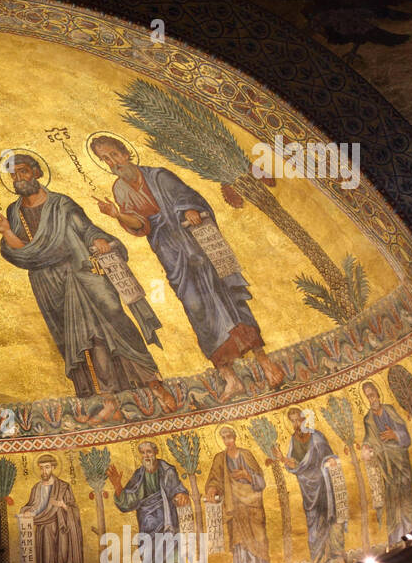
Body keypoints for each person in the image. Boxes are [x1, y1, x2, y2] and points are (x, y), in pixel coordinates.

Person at [93, 135, 286, 402]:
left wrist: (189, 210)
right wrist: (116, 215)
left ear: (126, 153)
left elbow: (189, 198)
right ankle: (230, 378)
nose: (112, 162)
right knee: (195, 308)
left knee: (226, 297)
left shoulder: (160, 176)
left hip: (194, 242)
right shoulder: (120, 191)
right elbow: (140, 226)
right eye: (105, 159)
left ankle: (265, 362)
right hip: (169, 252)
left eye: (114, 155)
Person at [0, 153, 175, 409]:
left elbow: (86, 229)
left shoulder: (61, 204)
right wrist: (6, 231)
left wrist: (97, 239)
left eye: (24, 171)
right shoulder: (13, 212)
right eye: (14, 175)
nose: (19, 178)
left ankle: (153, 382)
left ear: (37, 173)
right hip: (49, 283)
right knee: (81, 342)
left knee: (115, 321)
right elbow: (24, 251)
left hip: (84, 273)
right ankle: (105, 402)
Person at [110, 441, 189, 563]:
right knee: (149, 557)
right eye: (143, 453)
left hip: (167, 522)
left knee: (172, 556)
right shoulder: (138, 476)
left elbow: (177, 488)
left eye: (149, 452)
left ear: (156, 452)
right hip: (148, 524)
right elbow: (127, 502)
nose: (146, 456)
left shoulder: (168, 470)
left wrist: (182, 494)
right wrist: (118, 486)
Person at [281, 407, 345, 563]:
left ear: (304, 419)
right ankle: (318, 561)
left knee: (331, 517)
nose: (297, 424)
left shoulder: (316, 437)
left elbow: (329, 455)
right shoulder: (293, 441)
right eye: (293, 421)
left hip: (325, 485)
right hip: (308, 488)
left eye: (299, 419)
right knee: (315, 522)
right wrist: (287, 461)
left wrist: (330, 460)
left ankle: (337, 555)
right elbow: (295, 464)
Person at [204, 426, 270, 563]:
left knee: (259, 539)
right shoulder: (219, 459)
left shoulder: (246, 455)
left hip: (253, 504)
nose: (227, 441)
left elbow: (261, 482)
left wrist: (247, 476)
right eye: (224, 438)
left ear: (235, 437)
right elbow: (215, 480)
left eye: (229, 437)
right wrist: (212, 489)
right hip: (234, 506)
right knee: (238, 542)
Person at [20, 454, 84, 563]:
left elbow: (74, 510)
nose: (44, 471)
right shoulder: (36, 488)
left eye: (47, 467)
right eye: (41, 468)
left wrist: (63, 505)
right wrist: (27, 511)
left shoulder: (63, 487)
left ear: (54, 467)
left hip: (62, 532)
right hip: (44, 531)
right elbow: (32, 505)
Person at [360, 381, 412, 546]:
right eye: (368, 396)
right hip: (387, 469)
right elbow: (369, 440)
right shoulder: (368, 419)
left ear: (378, 393)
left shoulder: (390, 410)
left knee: (405, 499)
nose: (372, 398)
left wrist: (395, 435)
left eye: (373, 393)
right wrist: (365, 448)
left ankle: (410, 532)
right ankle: (396, 540)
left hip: (400, 461)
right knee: (392, 502)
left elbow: (406, 436)